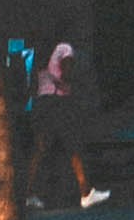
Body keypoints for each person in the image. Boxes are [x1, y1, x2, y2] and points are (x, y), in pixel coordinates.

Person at [36, 34, 107, 211]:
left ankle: (29, 193)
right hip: (59, 101)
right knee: (74, 146)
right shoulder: (64, 48)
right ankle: (86, 193)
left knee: (40, 150)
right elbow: (66, 74)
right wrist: (77, 83)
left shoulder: (41, 53)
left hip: (43, 101)